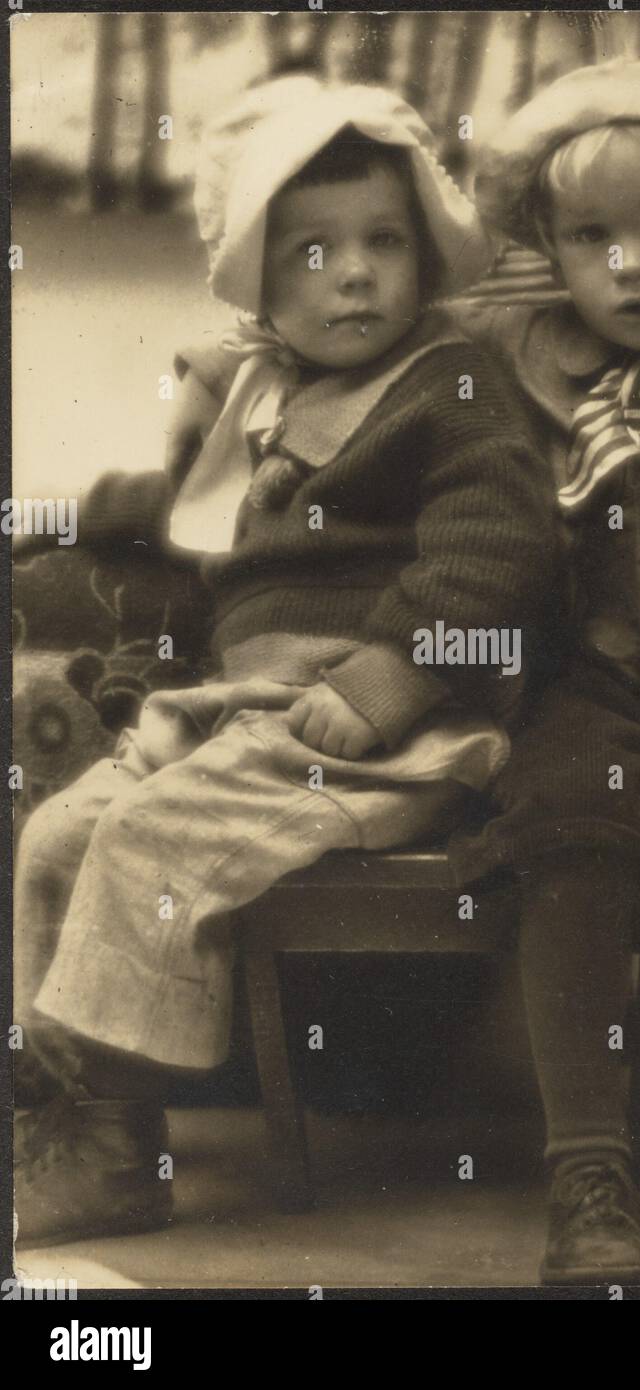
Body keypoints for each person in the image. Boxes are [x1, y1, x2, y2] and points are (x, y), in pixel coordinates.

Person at [160, 56, 640, 1287]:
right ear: (548, 249)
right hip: (581, 688)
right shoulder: (500, 353)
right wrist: (224, 363)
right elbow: (344, 338)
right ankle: (589, 1168)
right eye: (591, 236)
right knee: (559, 843)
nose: (628, 263)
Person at [13, 76, 559, 1249]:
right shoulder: (270, 396)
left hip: (388, 726)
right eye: (311, 251)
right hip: (252, 713)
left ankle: (113, 1163)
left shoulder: (454, 383)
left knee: (145, 839)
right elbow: (199, 511)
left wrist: (387, 681)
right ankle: (80, 1122)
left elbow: (500, 546)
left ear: (425, 256)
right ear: (259, 278)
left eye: (382, 242)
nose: (354, 272)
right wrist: (84, 509)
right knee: (57, 836)